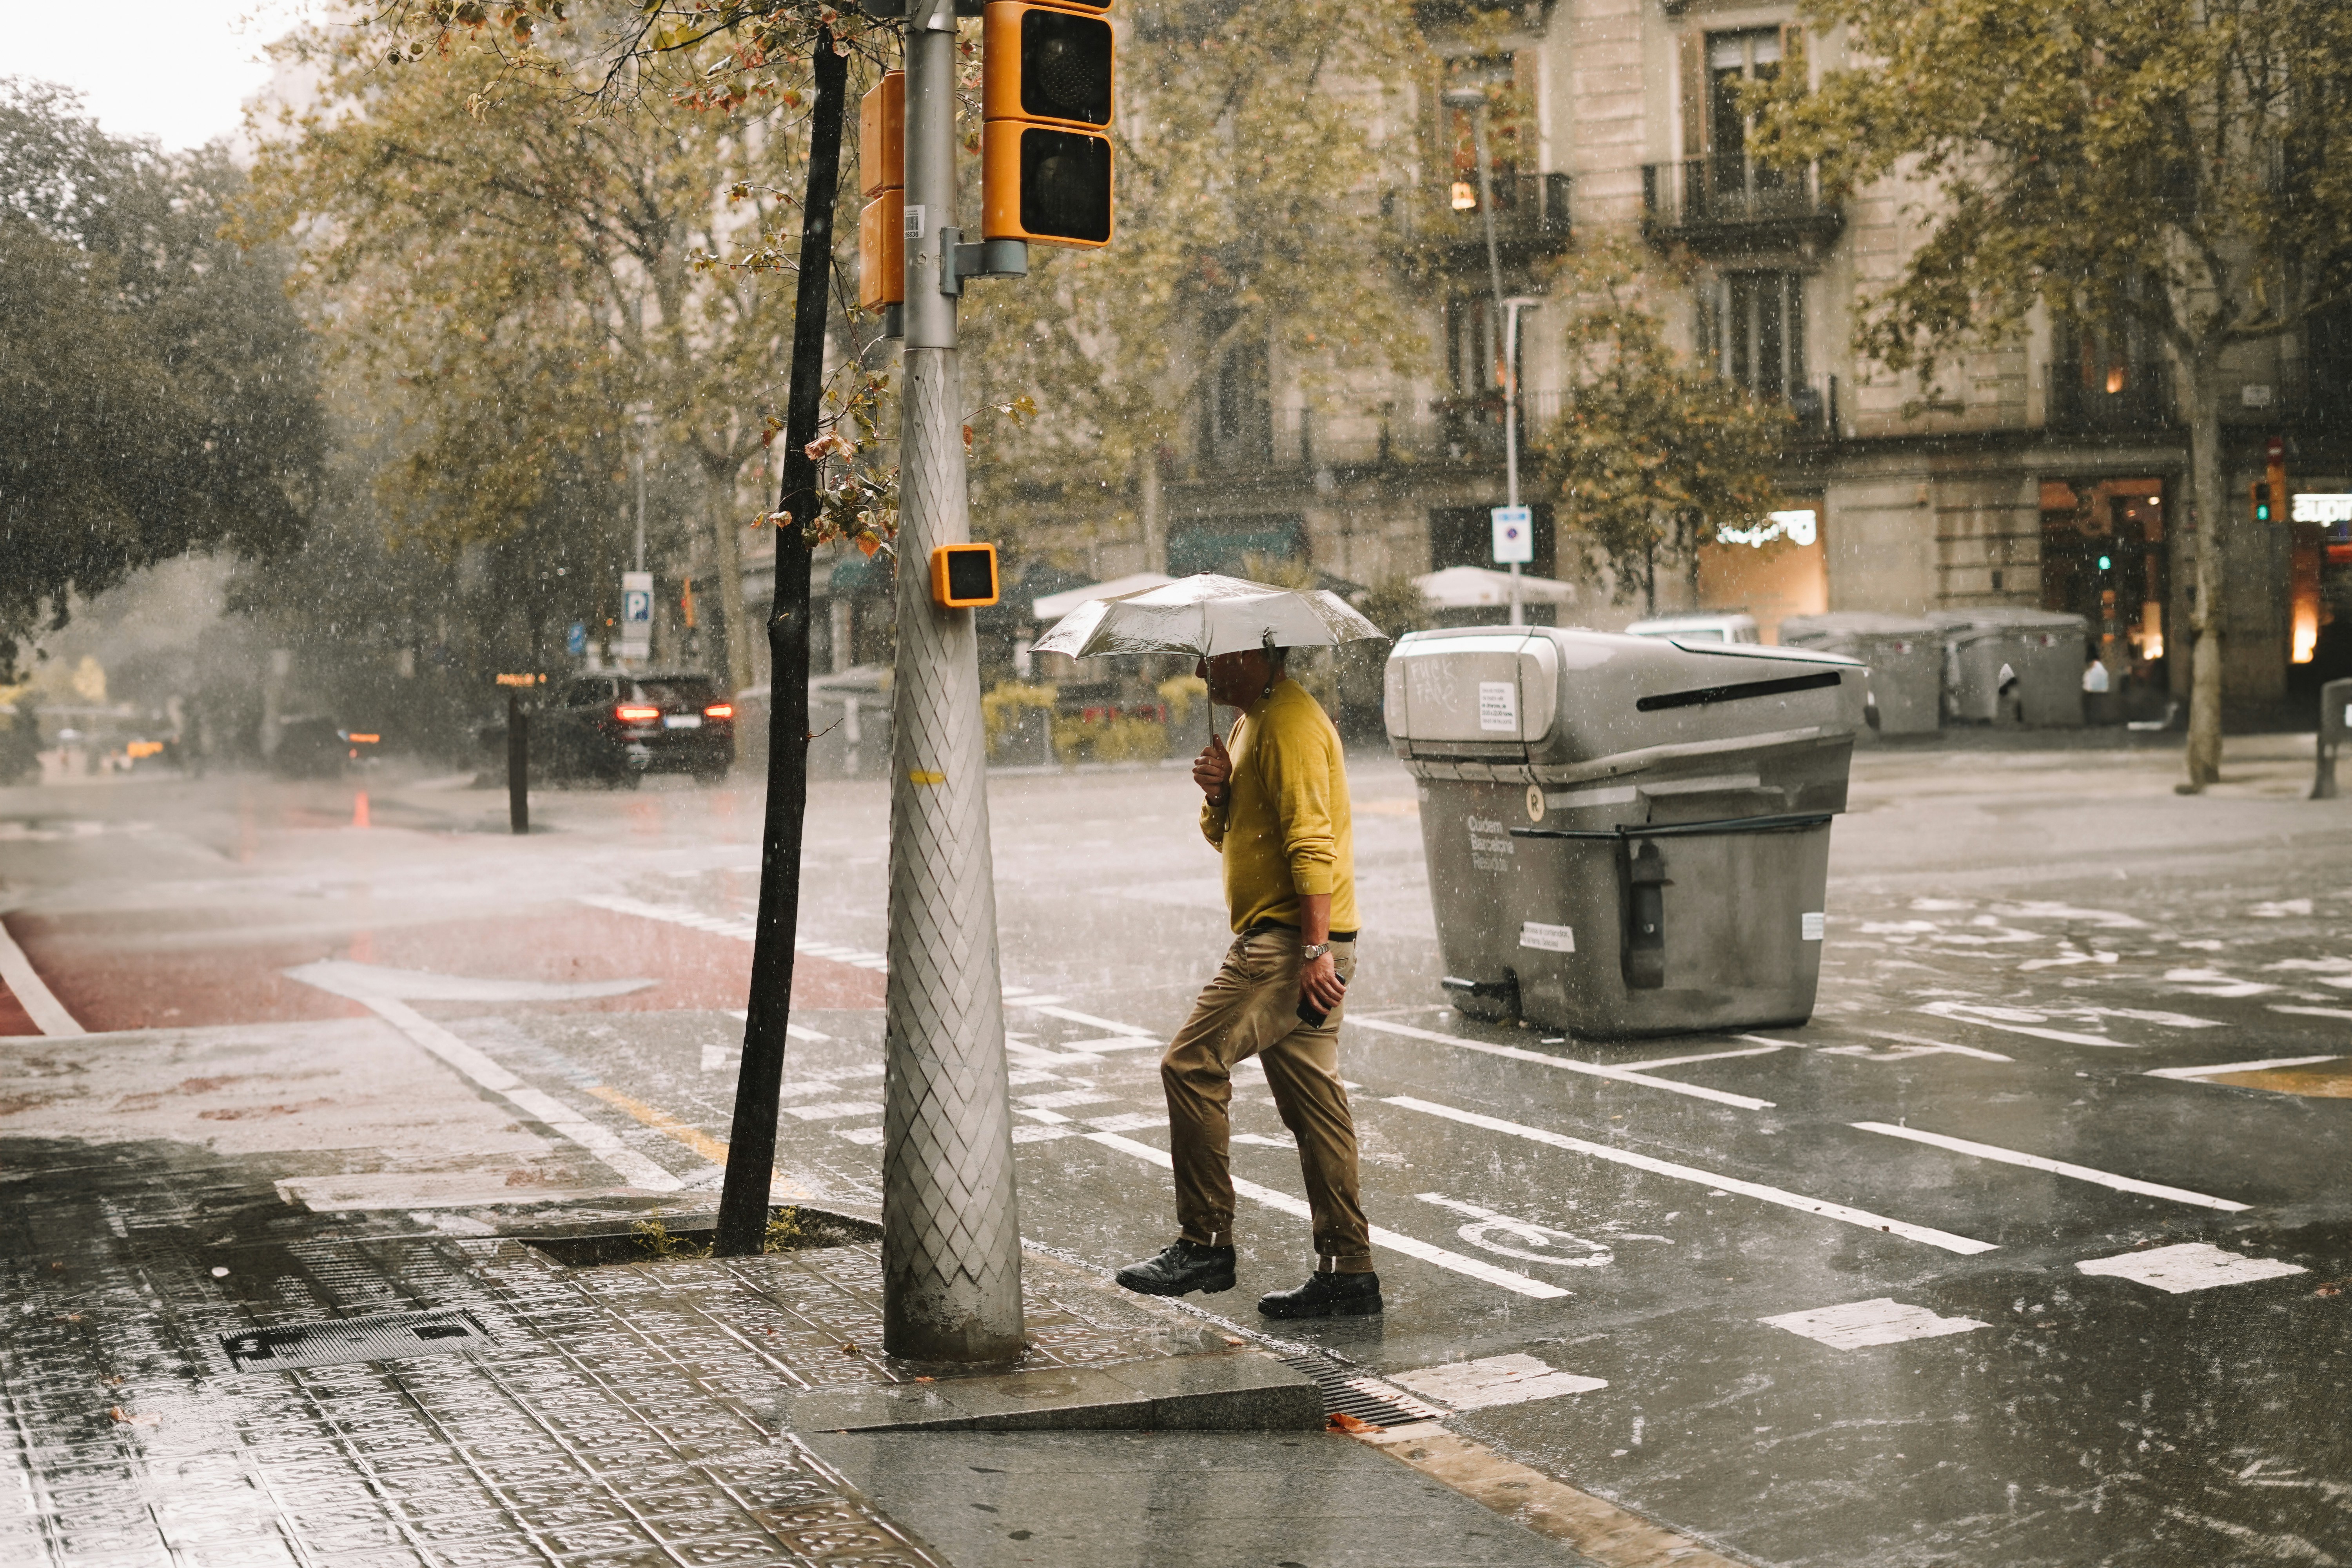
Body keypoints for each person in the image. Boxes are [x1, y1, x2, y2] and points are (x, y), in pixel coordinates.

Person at [1113, 639, 1378, 1318]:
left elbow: (1309, 840)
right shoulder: (1250, 721)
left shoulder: (1288, 720)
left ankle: (1205, 1242)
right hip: (1301, 941)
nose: (1201, 673)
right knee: (1316, 1110)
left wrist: (1315, 949)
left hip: (1287, 945)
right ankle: (1348, 1271)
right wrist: (1220, 794)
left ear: (1256, 653)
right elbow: (1233, 836)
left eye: (1213, 658)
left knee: (1190, 1064)